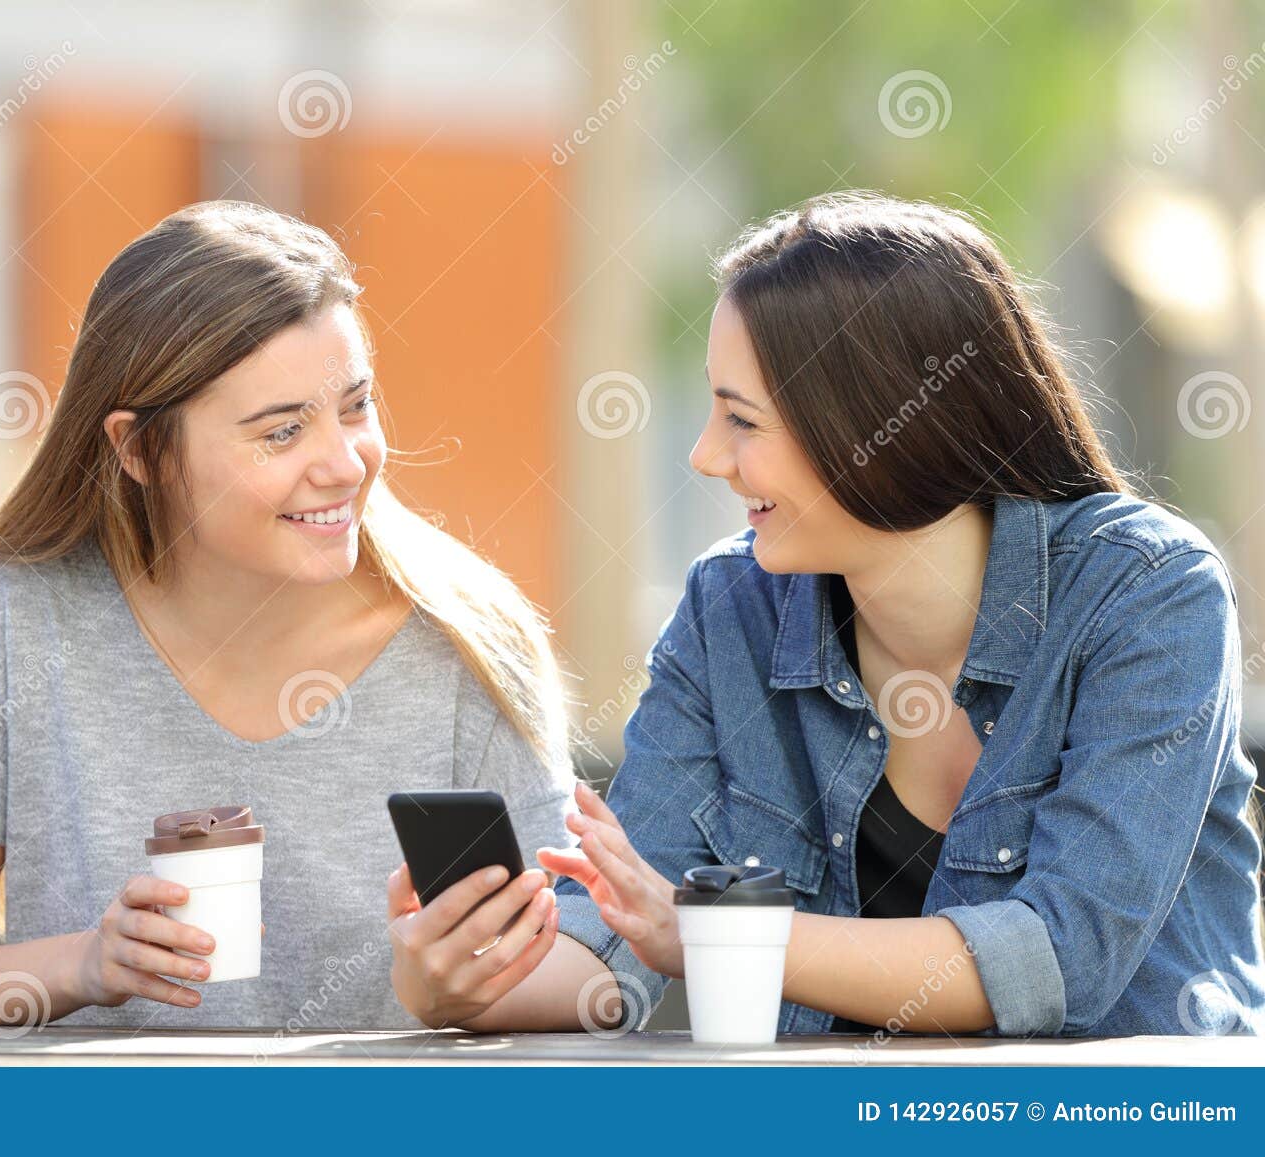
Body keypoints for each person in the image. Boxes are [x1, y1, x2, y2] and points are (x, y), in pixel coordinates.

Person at [394, 191, 1265, 1037]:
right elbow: (621, 933)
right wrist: (459, 980)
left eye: (742, 420)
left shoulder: (1147, 592)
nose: (705, 456)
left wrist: (720, 935)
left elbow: (1062, 958)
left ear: (879, 423)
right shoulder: (728, 608)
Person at [0, 201, 575, 1029]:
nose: (343, 463)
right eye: (280, 433)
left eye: (355, 406)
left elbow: (577, 963)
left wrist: (458, 992)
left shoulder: (468, 640)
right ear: (138, 450)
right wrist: (85, 964)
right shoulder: (18, 623)